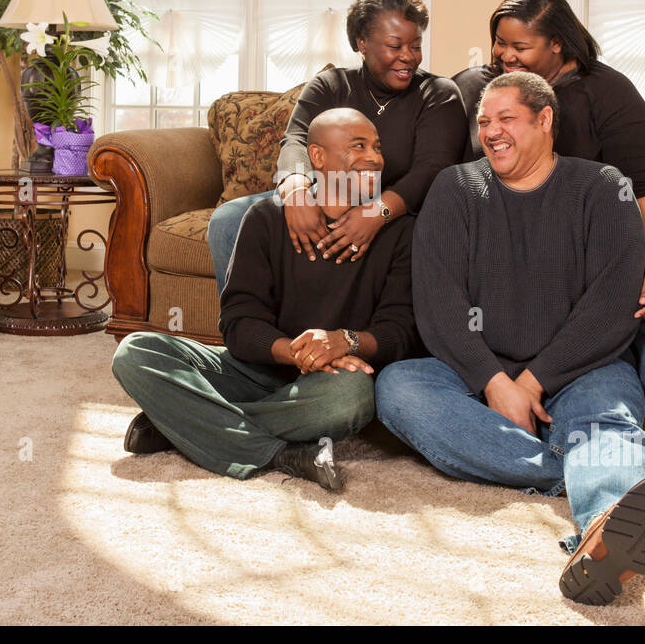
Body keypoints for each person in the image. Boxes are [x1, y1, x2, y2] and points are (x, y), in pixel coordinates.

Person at [374, 73, 645, 606]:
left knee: (604, 420)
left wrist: (534, 380)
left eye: (506, 119)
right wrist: (495, 382)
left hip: (583, 367)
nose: (491, 132)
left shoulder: (602, 185)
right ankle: (569, 466)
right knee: (399, 388)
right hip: (477, 371)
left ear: (545, 120)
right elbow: (438, 304)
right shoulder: (454, 187)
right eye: (483, 123)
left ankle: (602, 537)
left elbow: (613, 303)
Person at [452, 0, 645, 498]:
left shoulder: (607, 91)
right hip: (511, 230)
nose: (503, 55)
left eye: (520, 46)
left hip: (604, 230)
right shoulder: (480, 89)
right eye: (499, 43)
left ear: (558, 44)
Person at [112, 108, 419, 490]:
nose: (374, 157)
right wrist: (295, 352)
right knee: (136, 350)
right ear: (318, 158)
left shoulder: (401, 232)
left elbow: (400, 330)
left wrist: (343, 341)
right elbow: (239, 323)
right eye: (359, 146)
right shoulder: (265, 219)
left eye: (376, 147)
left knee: (353, 396)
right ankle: (279, 453)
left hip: (329, 381)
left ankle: (183, 425)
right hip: (259, 371)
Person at [207, 0, 466, 290]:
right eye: (395, 46)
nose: (408, 57)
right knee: (226, 222)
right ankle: (250, 329)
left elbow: (431, 169)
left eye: (416, 45)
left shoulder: (438, 94)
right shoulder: (330, 85)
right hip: (326, 195)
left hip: (397, 206)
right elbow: (296, 141)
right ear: (362, 42)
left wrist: (374, 213)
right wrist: (296, 194)